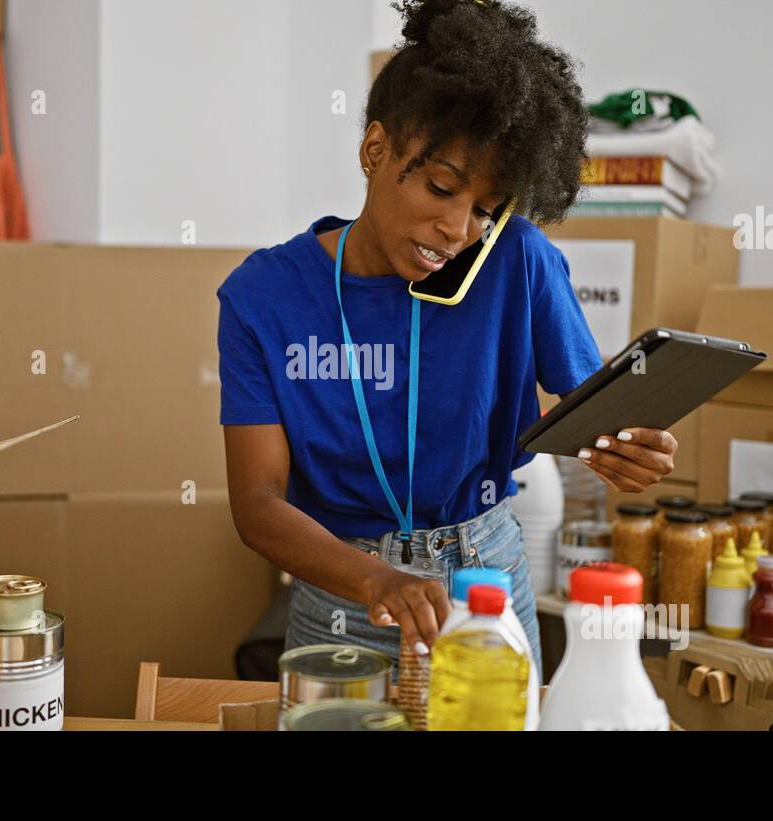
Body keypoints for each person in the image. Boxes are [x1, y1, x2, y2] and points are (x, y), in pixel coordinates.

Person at [216, 0, 676, 680]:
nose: (459, 229)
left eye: (486, 208)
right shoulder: (263, 296)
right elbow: (258, 504)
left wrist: (622, 447)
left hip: (486, 587)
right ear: (375, 150)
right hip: (345, 595)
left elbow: (592, 411)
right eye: (441, 188)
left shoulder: (516, 260)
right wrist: (376, 579)